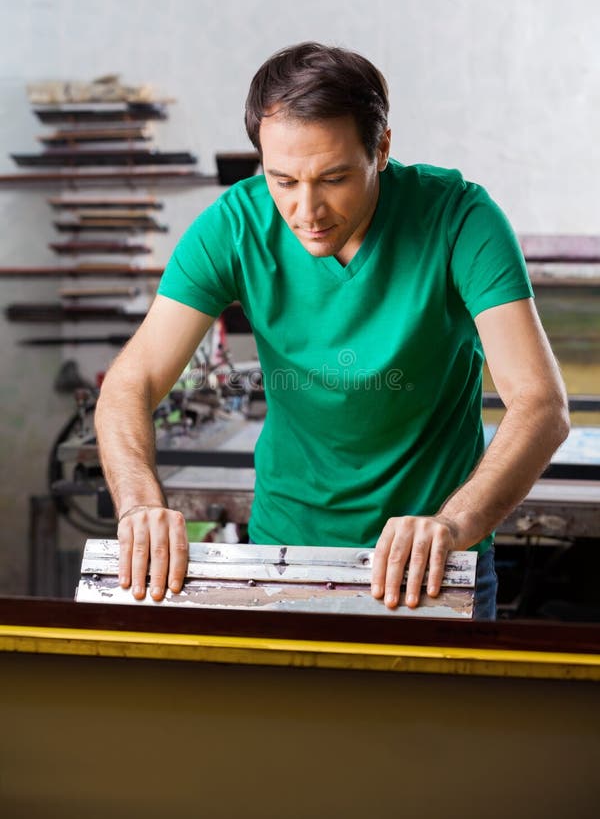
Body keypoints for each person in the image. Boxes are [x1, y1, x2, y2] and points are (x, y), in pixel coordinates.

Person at [95, 42, 569, 619]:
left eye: (334, 177)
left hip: (436, 562)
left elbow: (541, 404)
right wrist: (140, 502)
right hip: (284, 554)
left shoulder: (460, 219)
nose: (307, 210)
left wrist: (452, 523)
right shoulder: (235, 225)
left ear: (382, 148)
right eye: (283, 180)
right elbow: (130, 382)